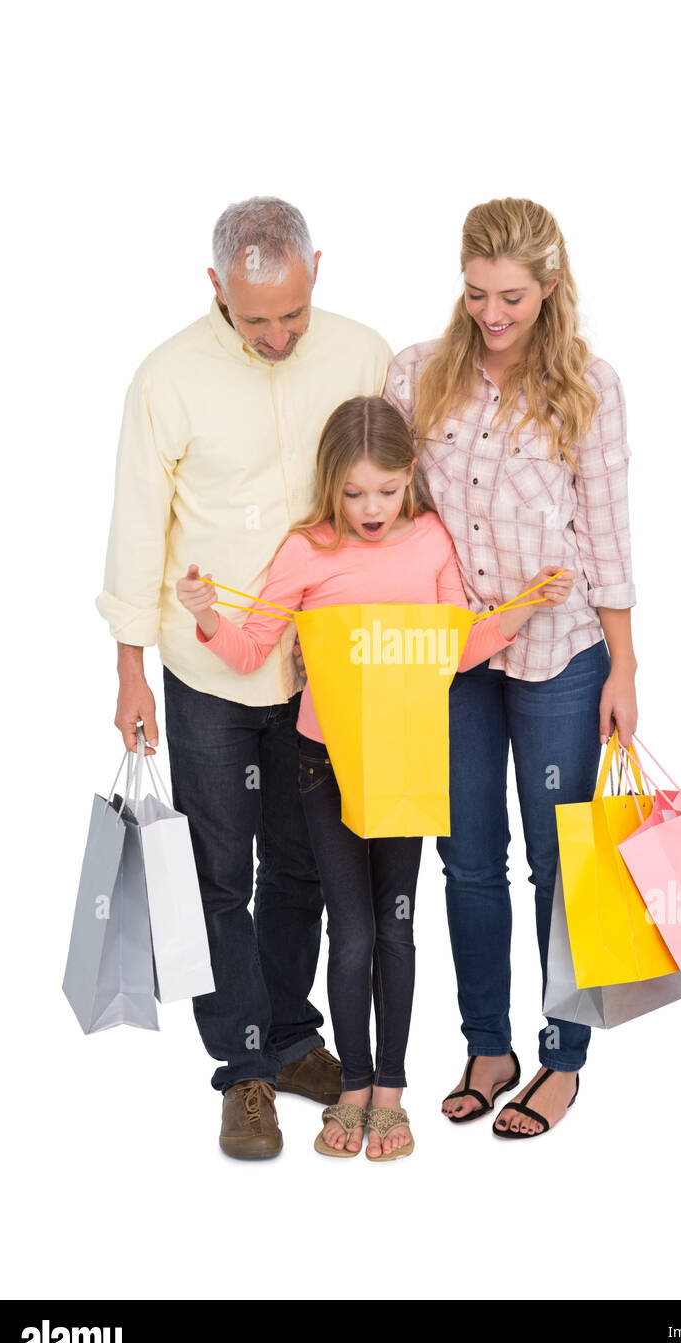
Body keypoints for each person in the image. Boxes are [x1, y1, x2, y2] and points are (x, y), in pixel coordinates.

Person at [175, 395, 573, 1160]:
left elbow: (456, 647)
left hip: (405, 757)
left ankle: (390, 1091)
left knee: (395, 925)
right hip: (323, 762)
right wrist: (205, 614)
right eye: (353, 493)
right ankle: (352, 1084)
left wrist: (523, 609)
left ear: (409, 478)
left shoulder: (429, 540)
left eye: (386, 491)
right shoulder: (304, 551)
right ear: (330, 484)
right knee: (350, 933)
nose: (370, 508)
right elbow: (252, 651)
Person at [96, 197, 393, 1160]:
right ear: (214, 285)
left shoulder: (360, 353)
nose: (277, 335)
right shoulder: (167, 377)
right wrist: (129, 670)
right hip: (209, 671)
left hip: (321, 672)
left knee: (303, 868)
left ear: (318, 272)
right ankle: (245, 1071)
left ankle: (292, 1036)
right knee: (224, 872)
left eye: (293, 314)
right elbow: (137, 528)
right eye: (255, 316)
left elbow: (390, 485)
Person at [384, 197, 638, 1140]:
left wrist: (624, 667)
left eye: (513, 298)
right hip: (455, 656)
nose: (493, 315)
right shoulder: (419, 374)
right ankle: (488, 1045)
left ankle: (562, 1059)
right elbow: (388, 506)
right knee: (468, 860)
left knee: (556, 860)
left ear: (551, 288)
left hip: (556, 654)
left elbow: (607, 534)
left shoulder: (588, 388)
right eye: (479, 294)